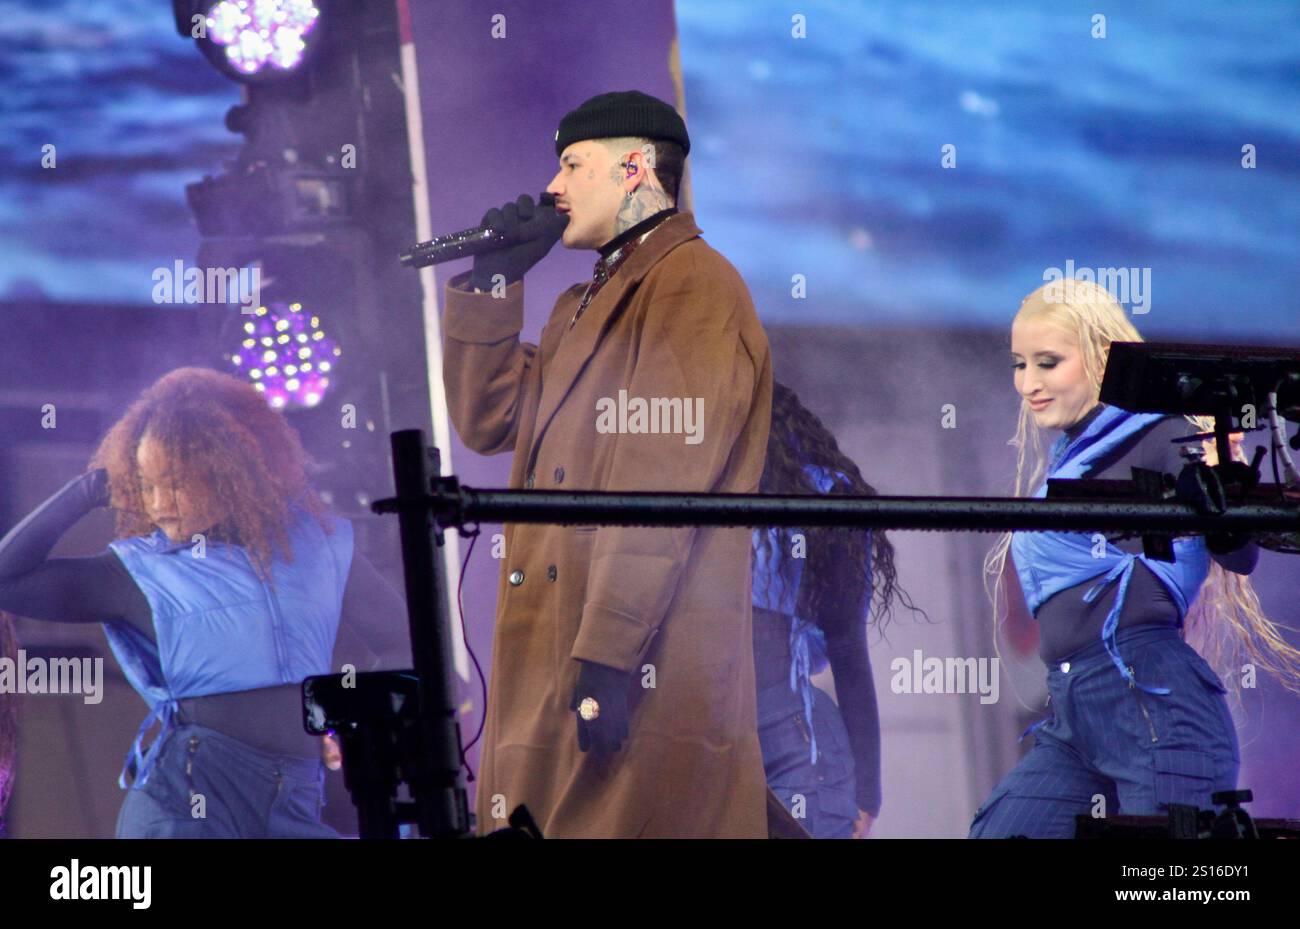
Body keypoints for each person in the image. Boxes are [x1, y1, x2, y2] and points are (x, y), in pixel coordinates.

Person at [442, 90, 774, 837]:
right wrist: (493, 280)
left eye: (571, 164)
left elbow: (658, 481)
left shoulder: (693, 284)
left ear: (634, 168)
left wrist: (610, 653)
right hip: (556, 664)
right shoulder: (580, 304)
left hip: (635, 668)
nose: (553, 187)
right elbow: (489, 419)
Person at [0, 367, 408, 838]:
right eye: (145, 484)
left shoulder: (320, 546)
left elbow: (404, 643)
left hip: (296, 804)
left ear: (226, 470)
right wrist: (89, 489)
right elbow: (8, 579)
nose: (155, 504)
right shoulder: (139, 571)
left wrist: (347, 718)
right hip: (187, 807)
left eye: (172, 482)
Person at [971, 279, 1300, 838]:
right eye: (1019, 365)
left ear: (1101, 357)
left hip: (1150, 701)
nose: (1028, 383)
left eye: (1048, 363)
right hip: (1076, 717)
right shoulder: (1073, 457)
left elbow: (1240, 553)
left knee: (1163, 889)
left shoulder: (1157, 433)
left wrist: (1221, 489)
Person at [752, 381, 909, 838]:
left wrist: (868, 792)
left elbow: (846, 645)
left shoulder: (821, 492)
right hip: (726, 737)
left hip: (799, 744)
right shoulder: (699, 485)